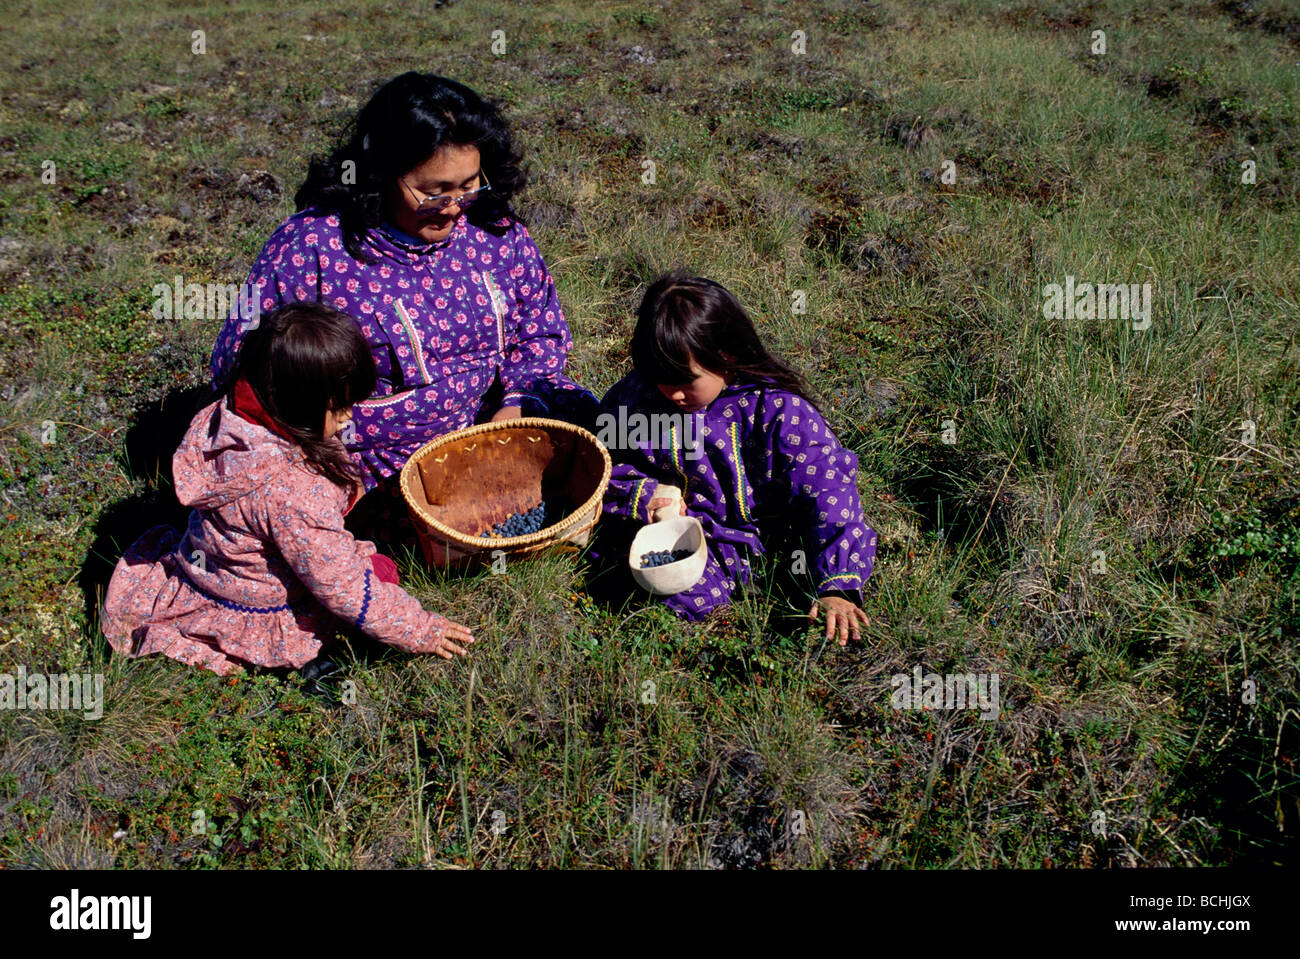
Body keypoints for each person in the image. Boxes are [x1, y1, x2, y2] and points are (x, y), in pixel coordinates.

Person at [208, 72, 598, 540]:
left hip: (498, 424)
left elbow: (541, 330)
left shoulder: (495, 232)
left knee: (597, 431)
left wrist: (513, 405)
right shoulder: (313, 246)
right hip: (371, 454)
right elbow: (246, 366)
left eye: (468, 185)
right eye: (433, 191)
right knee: (285, 506)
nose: (454, 207)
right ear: (382, 174)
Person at [102, 303, 475, 677]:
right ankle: (319, 668)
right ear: (297, 405)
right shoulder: (291, 494)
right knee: (378, 574)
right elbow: (341, 586)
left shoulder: (234, 417)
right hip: (261, 602)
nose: (349, 415)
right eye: (340, 405)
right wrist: (419, 629)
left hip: (217, 569)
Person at [589, 273, 876, 645]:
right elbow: (600, 462)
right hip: (684, 539)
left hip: (768, 539)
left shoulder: (775, 410)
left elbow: (827, 491)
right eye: (661, 378)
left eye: (685, 380)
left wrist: (837, 583)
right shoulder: (636, 398)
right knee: (658, 586)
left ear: (725, 357)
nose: (673, 394)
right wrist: (645, 495)